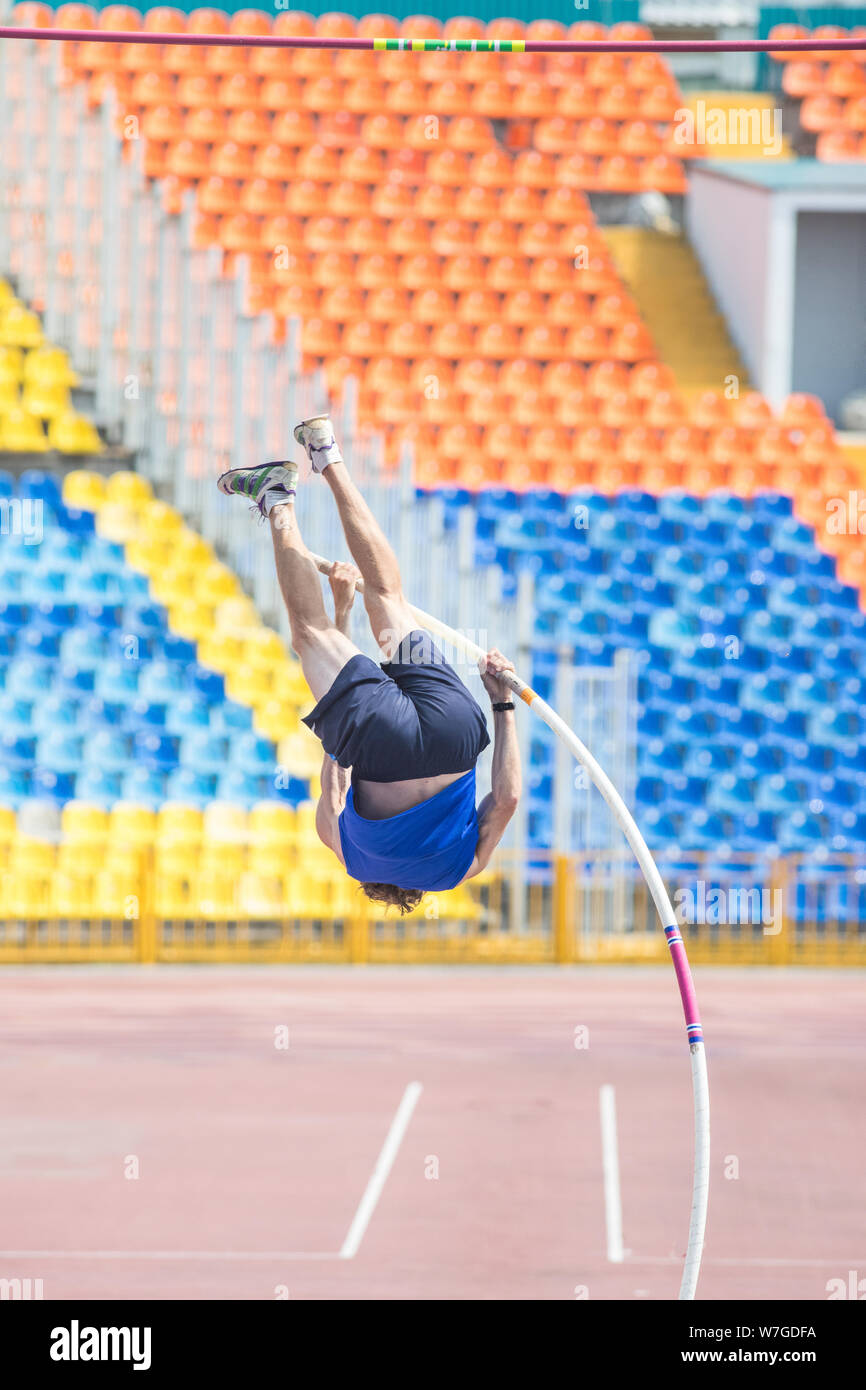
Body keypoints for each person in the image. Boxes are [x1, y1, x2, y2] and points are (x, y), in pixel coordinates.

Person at [218, 416, 522, 913]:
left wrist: (502, 705)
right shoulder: (349, 857)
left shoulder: (463, 867)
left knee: (386, 597)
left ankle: (328, 456)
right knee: (313, 632)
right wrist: (339, 622)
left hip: (455, 727)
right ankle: (282, 493)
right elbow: (337, 765)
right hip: (383, 740)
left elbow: (506, 798)